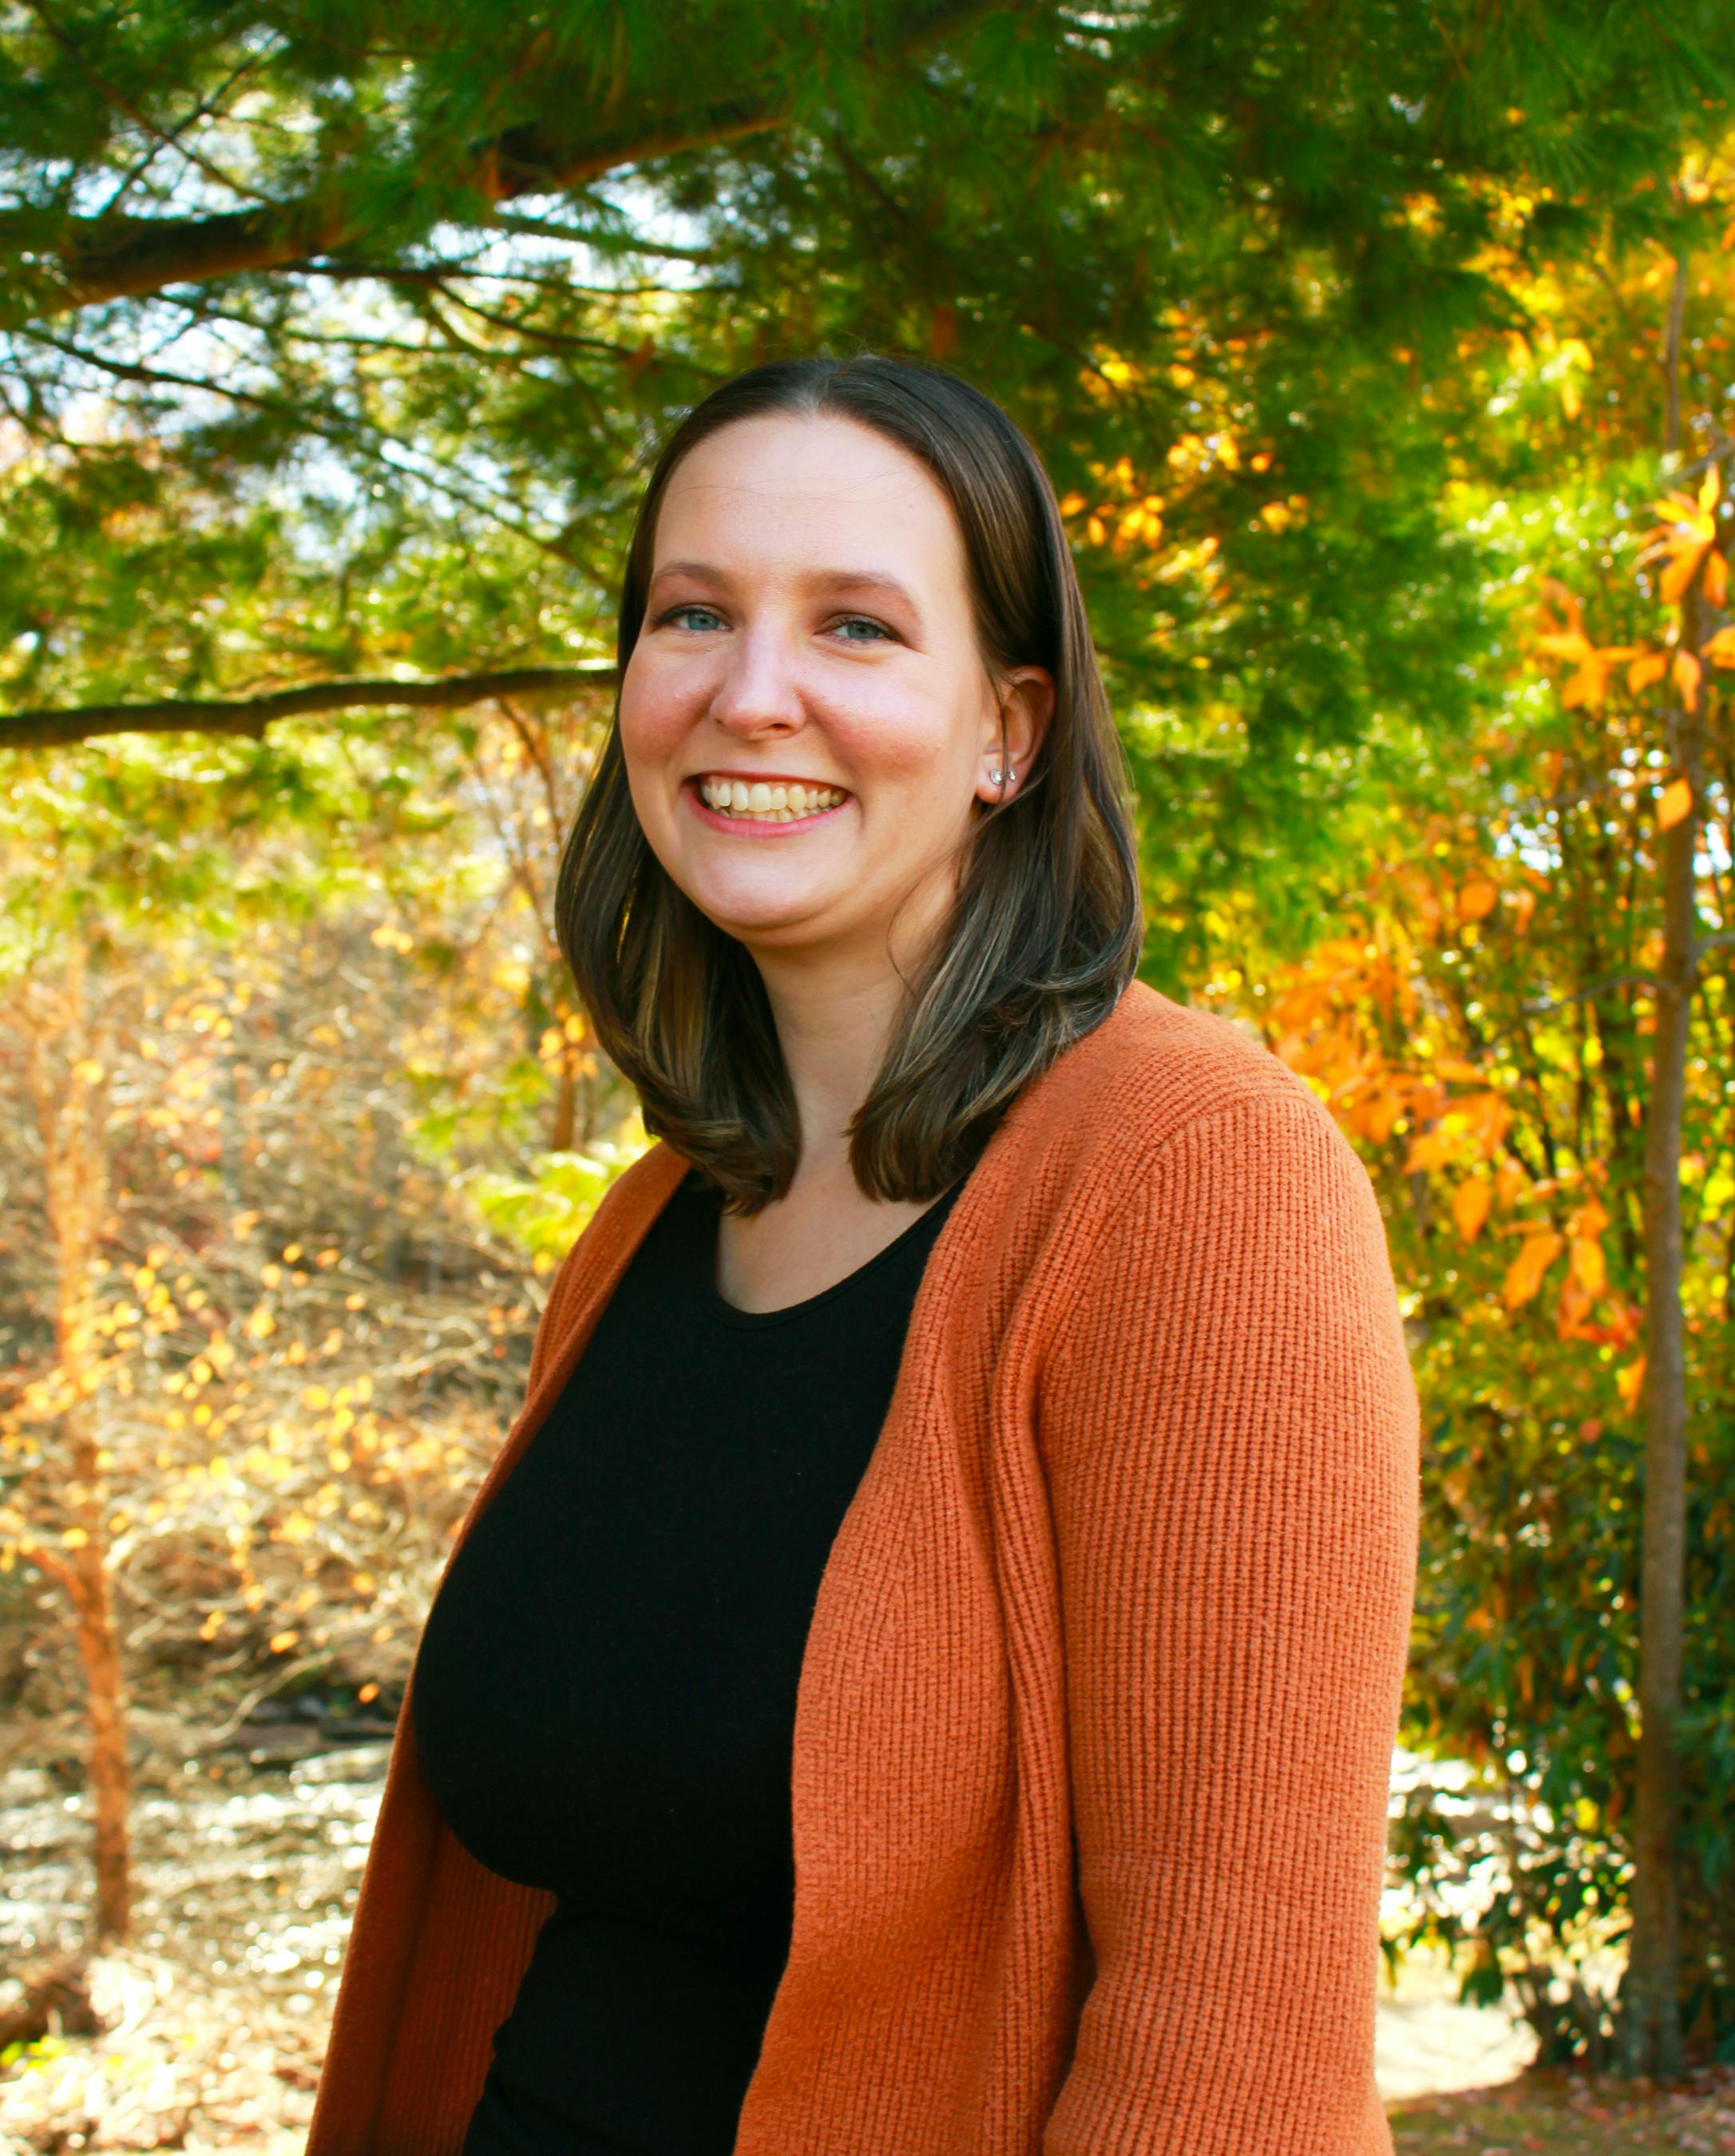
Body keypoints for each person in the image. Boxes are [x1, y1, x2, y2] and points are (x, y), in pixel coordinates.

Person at [305, 354, 1420, 2156]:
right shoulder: (651, 1225)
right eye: (693, 615)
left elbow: (1233, 2063)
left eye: (855, 628)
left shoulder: (1195, 1182)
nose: (753, 695)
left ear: (1010, 729)